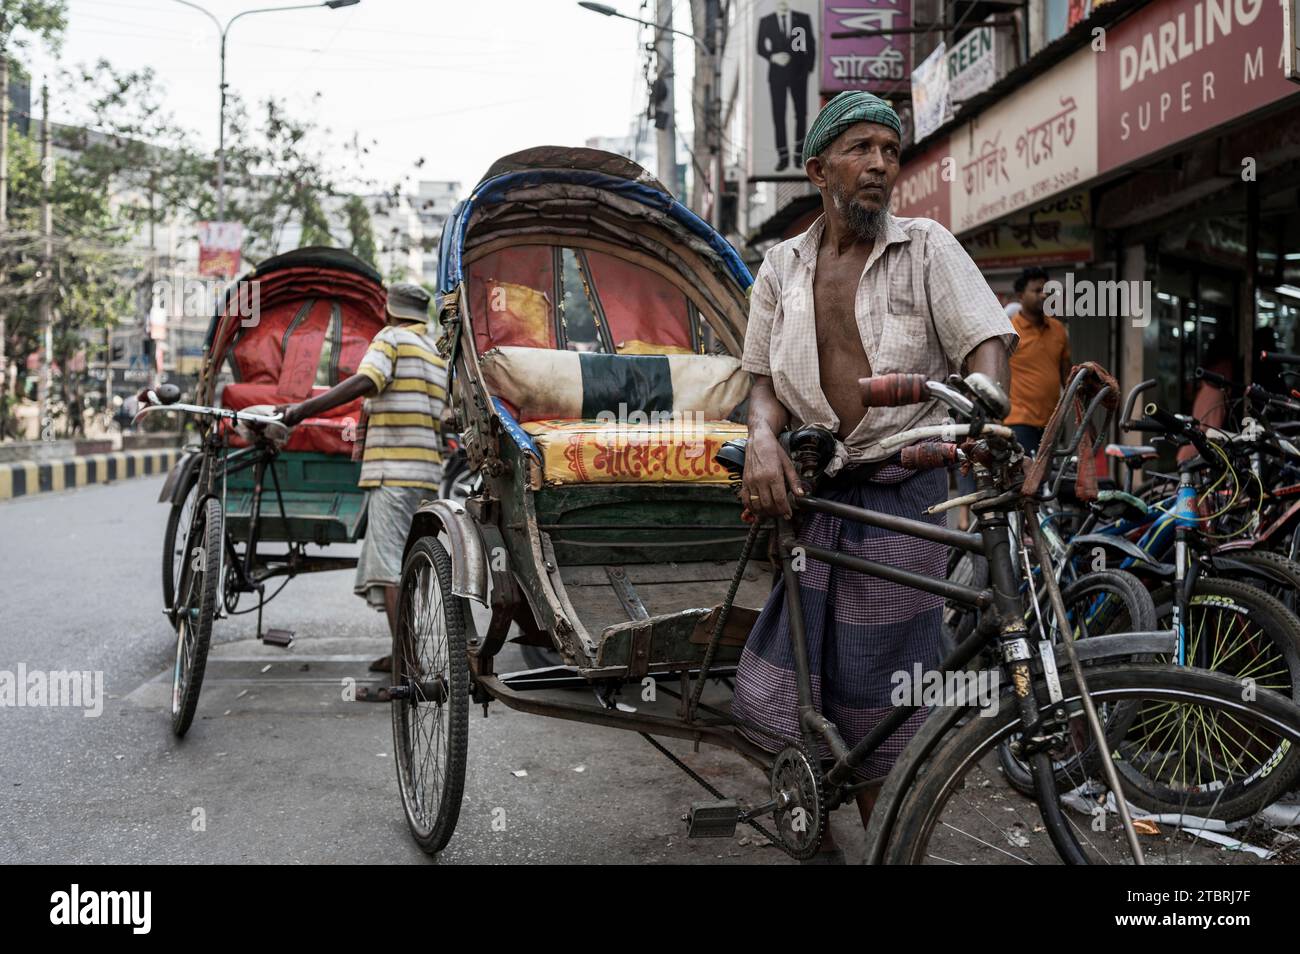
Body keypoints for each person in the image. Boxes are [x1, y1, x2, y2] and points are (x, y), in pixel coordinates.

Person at [738, 90, 1016, 861]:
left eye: (890, 151)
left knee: (882, 683)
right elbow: (760, 379)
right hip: (815, 490)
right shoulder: (781, 267)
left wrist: (986, 407)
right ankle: (815, 823)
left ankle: (890, 842)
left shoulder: (926, 247)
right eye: (860, 148)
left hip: (904, 489)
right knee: (801, 673)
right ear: (817, 169)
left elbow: (985, 339)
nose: (880, 164)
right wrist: (761, 437)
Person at [276, 282, 446, 683]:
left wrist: (302, 410)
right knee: (410, 565)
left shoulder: (390, 339)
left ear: (390, 312)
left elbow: (367, 380)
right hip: (426, 474)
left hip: (394, 471)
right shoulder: (434, 352)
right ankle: (402, 651)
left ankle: (407, 665)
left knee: (389, 567)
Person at [1005, 266, 1070, 457]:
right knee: (1027, 473)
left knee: (1050, 475)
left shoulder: (1058, 329)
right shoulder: (1009, 331)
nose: (1044, 295)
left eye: (1047, 290)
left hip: (1052, 422)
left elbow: (1067, 376)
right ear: (1020, 295)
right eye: (1037, 290)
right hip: (1019, 422)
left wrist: (1083, 416)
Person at [756, 0, 816, 171]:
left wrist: (807, 69)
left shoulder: (802, 18)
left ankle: (799, 155)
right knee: (779, 115)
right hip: (777, 74)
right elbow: (760, 46)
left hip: (799, 75)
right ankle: (783, 157)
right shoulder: (766, 21)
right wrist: (772, 56)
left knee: (801, 114)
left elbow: (810, 44)